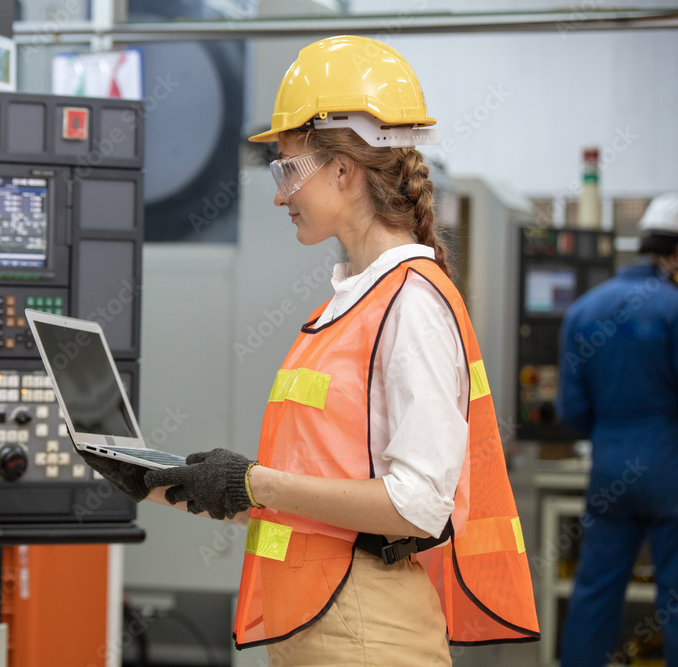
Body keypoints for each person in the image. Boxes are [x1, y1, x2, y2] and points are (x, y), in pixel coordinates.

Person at [81, 35, 539, 665]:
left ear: (345, 172)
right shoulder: (351, 303)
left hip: (366, 631)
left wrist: (254, 480)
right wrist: (182, 486)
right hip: (327, 620)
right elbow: (322, 491)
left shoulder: (411, 304)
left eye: (287, 169)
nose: (278, 194)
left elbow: (415, 505)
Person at [557, 192, 678, 666]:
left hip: (609, 470)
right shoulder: (672, 308)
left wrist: (609, 433)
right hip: (670, 470)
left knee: (595, 591)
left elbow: (571, 410)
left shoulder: (584, 310)